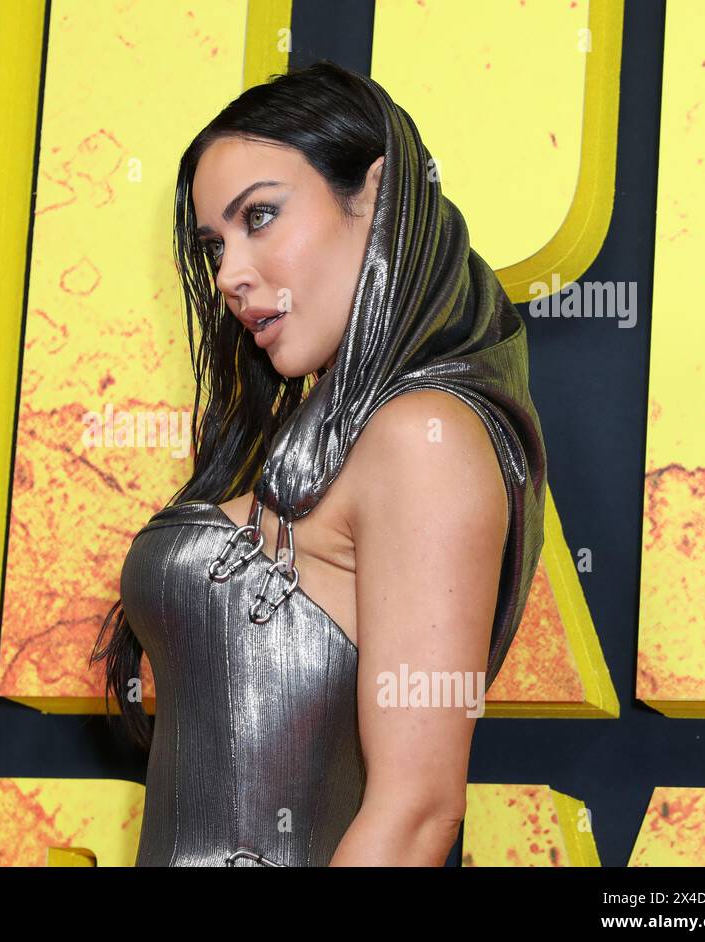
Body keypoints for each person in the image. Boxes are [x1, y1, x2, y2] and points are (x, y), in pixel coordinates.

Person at [91, 61, 547, 867]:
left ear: (374, 197)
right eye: (215, 245)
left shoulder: (421, 439)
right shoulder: (318, 443)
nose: (231, 276)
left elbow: (415, 813)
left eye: (260, 216)